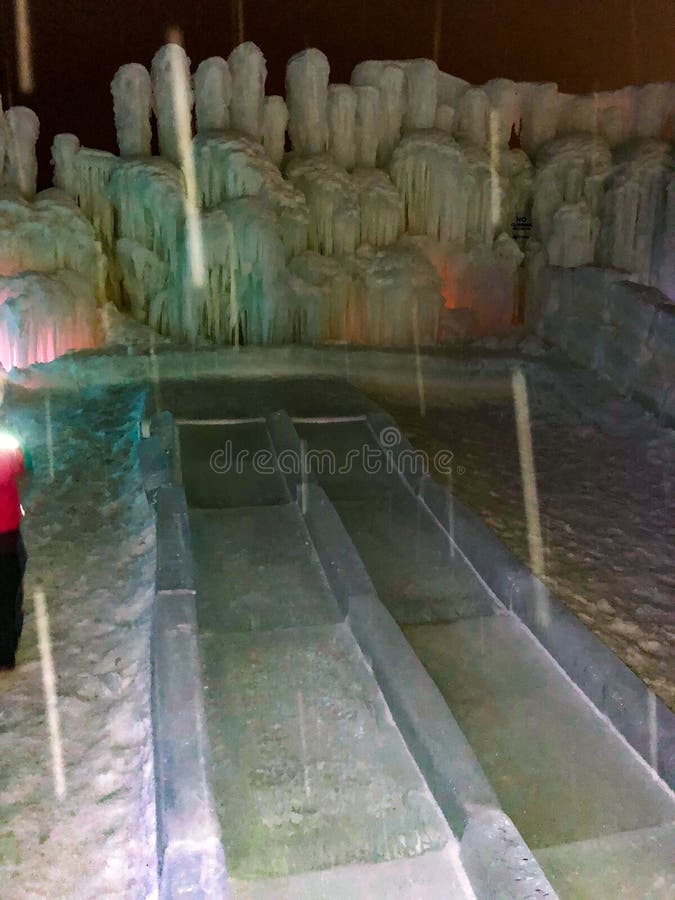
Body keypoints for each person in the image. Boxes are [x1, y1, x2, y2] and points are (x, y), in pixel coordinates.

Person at [0, 426, 29, 670]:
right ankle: (5, 652)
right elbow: (18, 467)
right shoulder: (6, 439)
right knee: (8, 593)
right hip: (6, 529)